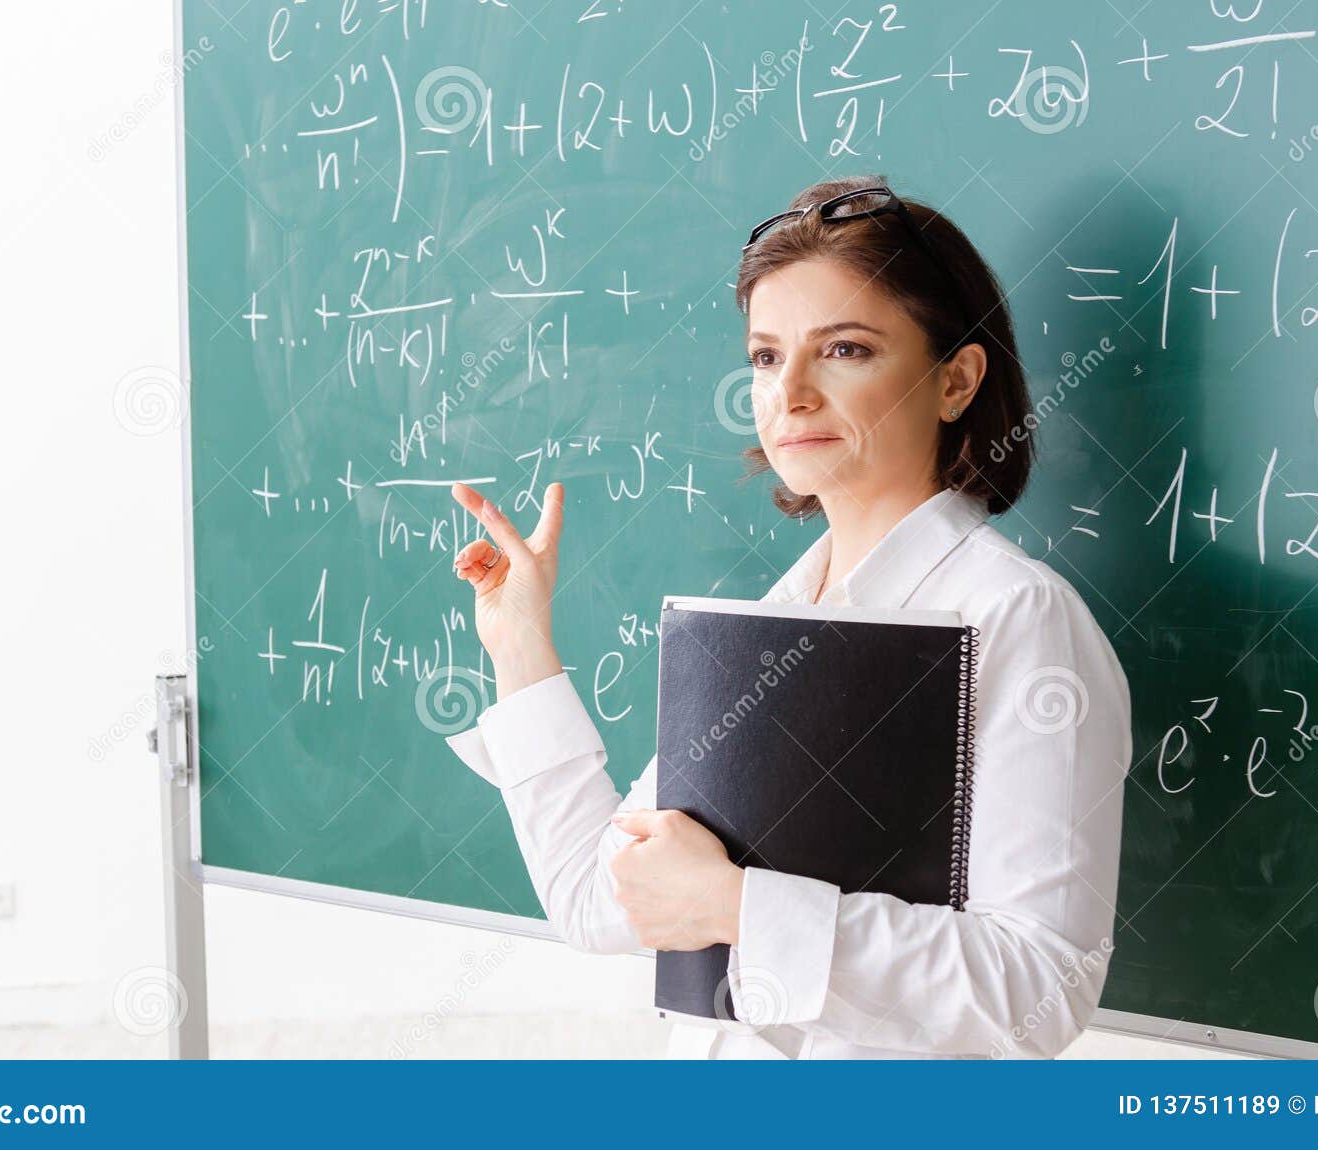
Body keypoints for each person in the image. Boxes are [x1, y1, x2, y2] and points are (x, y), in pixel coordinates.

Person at [441, 177, 1132, 1059]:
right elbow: (595, 897)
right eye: (766, 357)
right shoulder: (769, 624)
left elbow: (1040, 987)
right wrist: (519, 643)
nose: (790, 393)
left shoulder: (1017, 619)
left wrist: (737, 906)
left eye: (844, 349)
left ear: (955, 379)